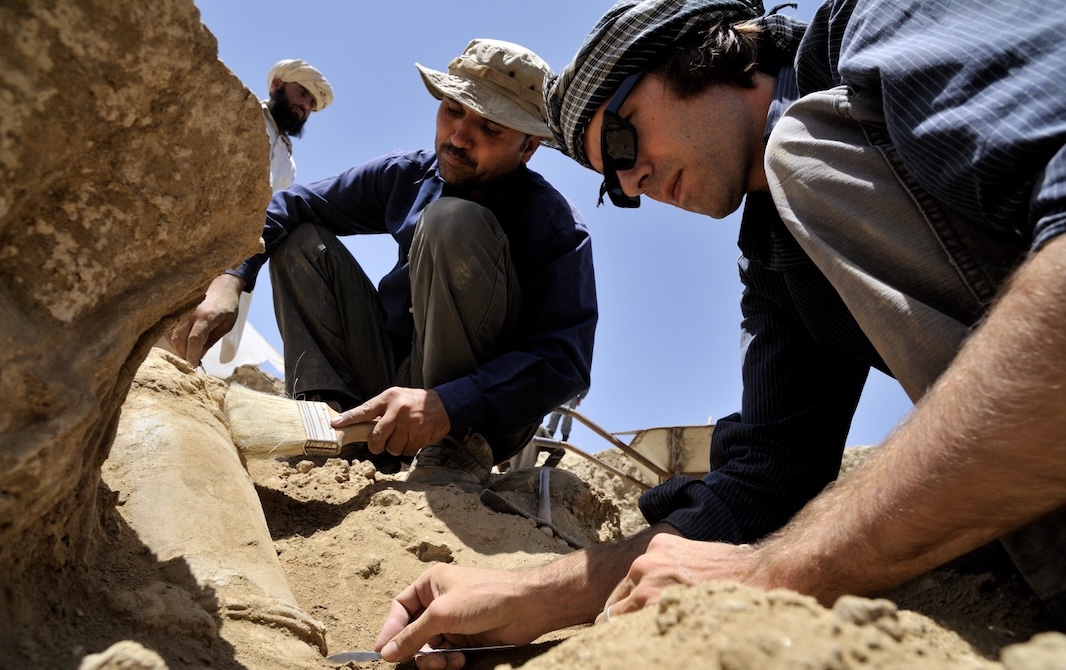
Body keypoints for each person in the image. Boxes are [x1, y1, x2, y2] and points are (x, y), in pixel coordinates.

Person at [373, 0, 1066, 665]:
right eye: (614, 182)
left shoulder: (885, 27)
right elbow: (768, 480)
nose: (634, 183)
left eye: (621, 140)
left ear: (704, 54)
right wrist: (537, 595)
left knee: (799, 151)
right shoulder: (779, 255)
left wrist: (775, 572)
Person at [184, 38, 596, 485]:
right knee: (300, 240)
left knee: (452, 220)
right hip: (389, 381)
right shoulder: (408, 174)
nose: (458, 138)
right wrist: (229, 278)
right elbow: (289, 206)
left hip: (477, 415)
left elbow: (563, 362)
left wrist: (450, 404)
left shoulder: (554, 227)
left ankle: (451, 448)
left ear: (529, 147)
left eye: (491, 129)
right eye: (452, 111)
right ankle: (330, 424)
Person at [169, 58, 333, 373]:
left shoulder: (288, 161)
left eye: (312, 104)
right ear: (277, 86)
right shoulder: (244, 114)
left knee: (203, 331)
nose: (305, 106)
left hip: (242, 253)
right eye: (302, 93)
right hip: (202, 235)